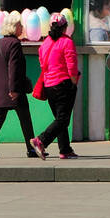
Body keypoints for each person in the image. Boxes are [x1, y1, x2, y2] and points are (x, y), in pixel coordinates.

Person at [0, 11, 39, 159]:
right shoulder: (14, 44)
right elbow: (14, 68)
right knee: (25, 118)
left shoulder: (0, 43)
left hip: (0, 88)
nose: (22, 27)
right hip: (13, 89)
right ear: (14, 27)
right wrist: (14, 89)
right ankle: (31, 149)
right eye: (20, 25)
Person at [30, 13, 81, 159]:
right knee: (63, 119)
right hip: (63, 84)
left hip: (49, 86)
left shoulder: (45, 43)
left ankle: (65, 149)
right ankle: (41, 140)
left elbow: (42, 64)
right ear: (65, 27)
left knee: (60, 118)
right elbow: (71, 66)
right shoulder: (67, 42)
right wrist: (73, 82)